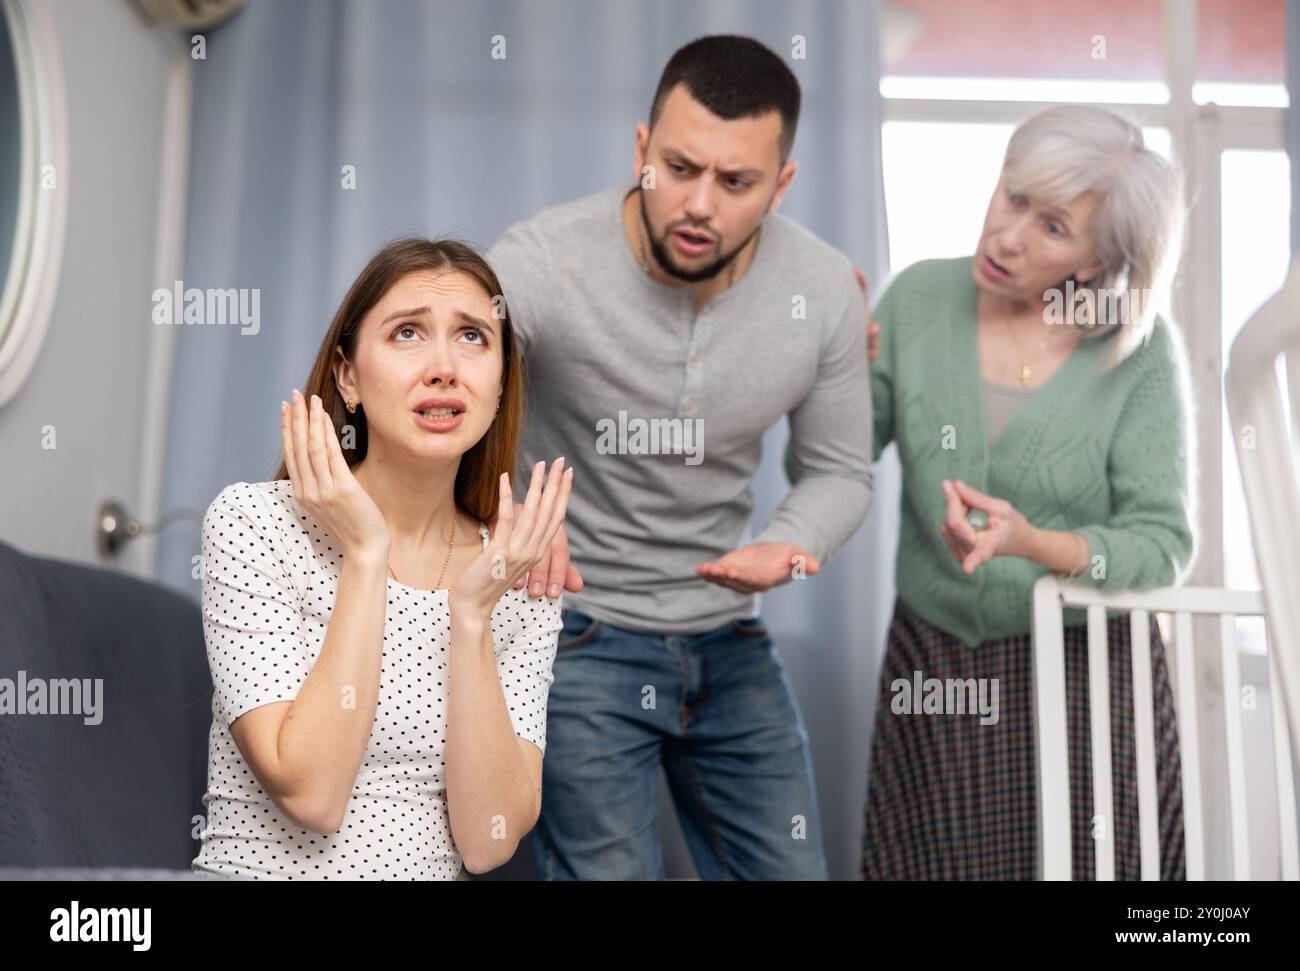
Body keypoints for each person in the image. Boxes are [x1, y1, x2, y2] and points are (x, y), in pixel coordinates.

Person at [487, 34, 873, 879]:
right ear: (640, 150)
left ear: (781, 185)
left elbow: (843, 469)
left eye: (736, 182)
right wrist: (501, 511)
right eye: (678, 166)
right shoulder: (542, 263)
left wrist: (793, 537)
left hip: (727, 636)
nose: (698, 203)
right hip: (578, 633)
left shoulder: (823, 293)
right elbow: (432, 386)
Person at [837, 105, 1195, 879]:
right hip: (933, 661)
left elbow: (1163, 544)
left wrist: (1035, 543)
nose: (1007, 235)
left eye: (1054, 228)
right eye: (1013, 196)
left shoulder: (1140, 351)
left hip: (1087, 670)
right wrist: (832, 361)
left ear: (1098, 263)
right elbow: (832, 468)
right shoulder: (918, 301)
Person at [191, 237, 572, 879]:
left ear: (501, 386)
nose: (445, 367)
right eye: (407, 334)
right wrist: (368, 555)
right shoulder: (253, 524)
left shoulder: (519, 571)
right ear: (348, 376)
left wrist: (474, 613)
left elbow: (487, 842)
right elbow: (311, 794)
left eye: (474, 338)